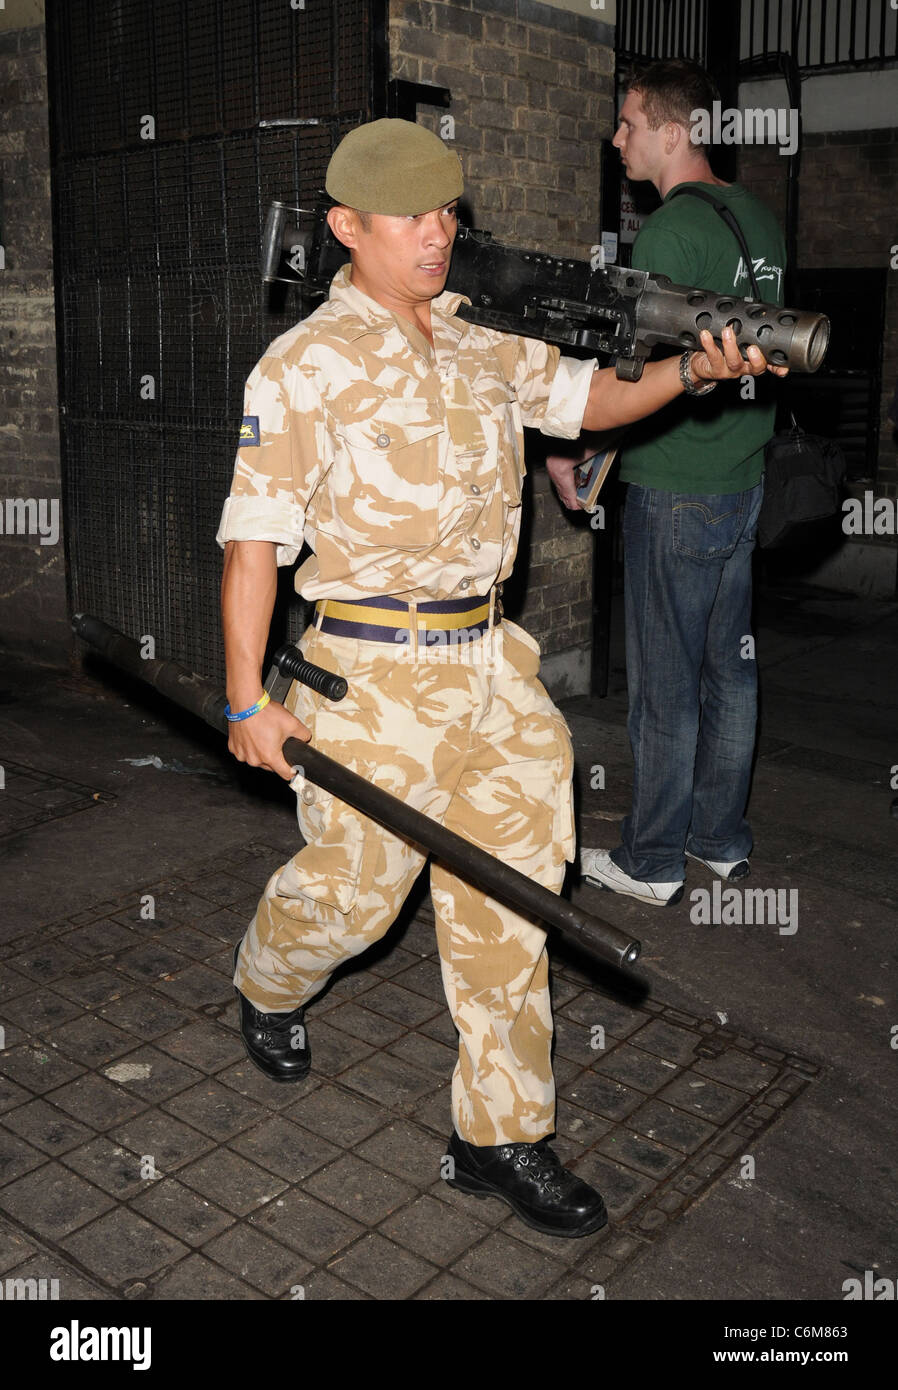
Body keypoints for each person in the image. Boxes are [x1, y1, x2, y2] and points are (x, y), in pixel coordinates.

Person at [216, 117, 785, 1237]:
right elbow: (251, 544)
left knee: (512, 910)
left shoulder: (480, 338)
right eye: (410, 216)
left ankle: (499, 1135)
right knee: (352, 902)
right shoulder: (303, 368)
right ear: (346, 228)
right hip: (364, 681)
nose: (436, 234)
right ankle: (266, 982)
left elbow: (588, 404)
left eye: (446, 212)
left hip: (493, 673)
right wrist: (247, 700)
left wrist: (694, 371)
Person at [554, 60, 787, 906]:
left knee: (664, 681)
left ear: (674, 132)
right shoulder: (759, 219)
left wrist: (570, 438)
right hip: (740, 477)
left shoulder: (664, 237)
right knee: (729, 669)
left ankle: (652, 859)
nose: (618, 140)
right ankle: (719, 840)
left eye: (629, 124)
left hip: (674, 481)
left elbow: (629, 379)